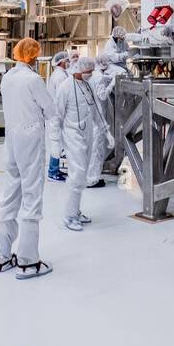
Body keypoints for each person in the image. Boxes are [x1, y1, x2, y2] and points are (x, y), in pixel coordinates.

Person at [0, 37, 54, 279]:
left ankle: (2, 257)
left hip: (12, 140)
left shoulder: (7, 77)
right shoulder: (33, 79)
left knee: (9, 194)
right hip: (30, 140)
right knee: (32, 195)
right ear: (33, 56)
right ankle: (28, 261)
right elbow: (51, 109)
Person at [50, 56, 106, 232]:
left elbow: (94, 108)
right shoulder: (65, 87)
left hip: (87, 133)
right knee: (77, 174)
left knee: (82, 175)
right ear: (79, 70)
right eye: (88, 72)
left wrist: (105, 128)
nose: (90, 74)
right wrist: (54, 140)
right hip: (72, 135)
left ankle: (76, 210)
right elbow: (56, 115)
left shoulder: (87, 85)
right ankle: (69, 216)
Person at [88, 52, 127, 188]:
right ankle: (92, 179)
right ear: (104, 64)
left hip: (95, 116)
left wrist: (109, 79)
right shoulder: (98, 77)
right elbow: (103, 95)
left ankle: (93, 176)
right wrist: (112, 84)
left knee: (96, 149)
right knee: (97, 149)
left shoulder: (95, 74)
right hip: (98, 118)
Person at [47, 50, 72, 179]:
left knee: (58, 142)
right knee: (56, 142)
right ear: (62, 62)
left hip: (56, 113)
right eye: (67, 61)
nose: (68, 63)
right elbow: (63, 97)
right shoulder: (60, 76)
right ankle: (53, 171)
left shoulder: (59, 74)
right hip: (57, 114)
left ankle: (56, 169)